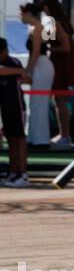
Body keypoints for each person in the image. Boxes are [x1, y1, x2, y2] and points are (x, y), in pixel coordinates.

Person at [39, 0, 74, 149]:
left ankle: (66, 136)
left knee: (60, 102)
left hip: (61, 66)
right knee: (58, 102)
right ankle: (63, 134)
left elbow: (66, 47)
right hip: (57, 64)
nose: (43, 11)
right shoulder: (51, 22)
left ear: (50, 8)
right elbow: (46, 38)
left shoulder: (58, 23)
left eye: (45, 8)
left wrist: (48, 49)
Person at [19, 3, 54, 147]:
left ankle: (41, 139)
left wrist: (26, 70)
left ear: (28, 13)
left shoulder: (37, 29)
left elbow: (36, 52)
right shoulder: (37, 28)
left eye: (22, 13)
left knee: (39, 102)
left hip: (41, 65)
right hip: (40, 65)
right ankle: (34, 137)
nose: (20, 16)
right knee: (36, 102)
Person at [0, 38, 29, 187]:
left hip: (18, 108)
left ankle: (23, 174)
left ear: (5, 51)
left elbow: (28, 78)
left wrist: (21, 71)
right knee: (10, 140)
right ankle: (13, 172)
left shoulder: (14, 62)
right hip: (5, 109)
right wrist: (20, 72)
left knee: (19, 140)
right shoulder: (13, 67)